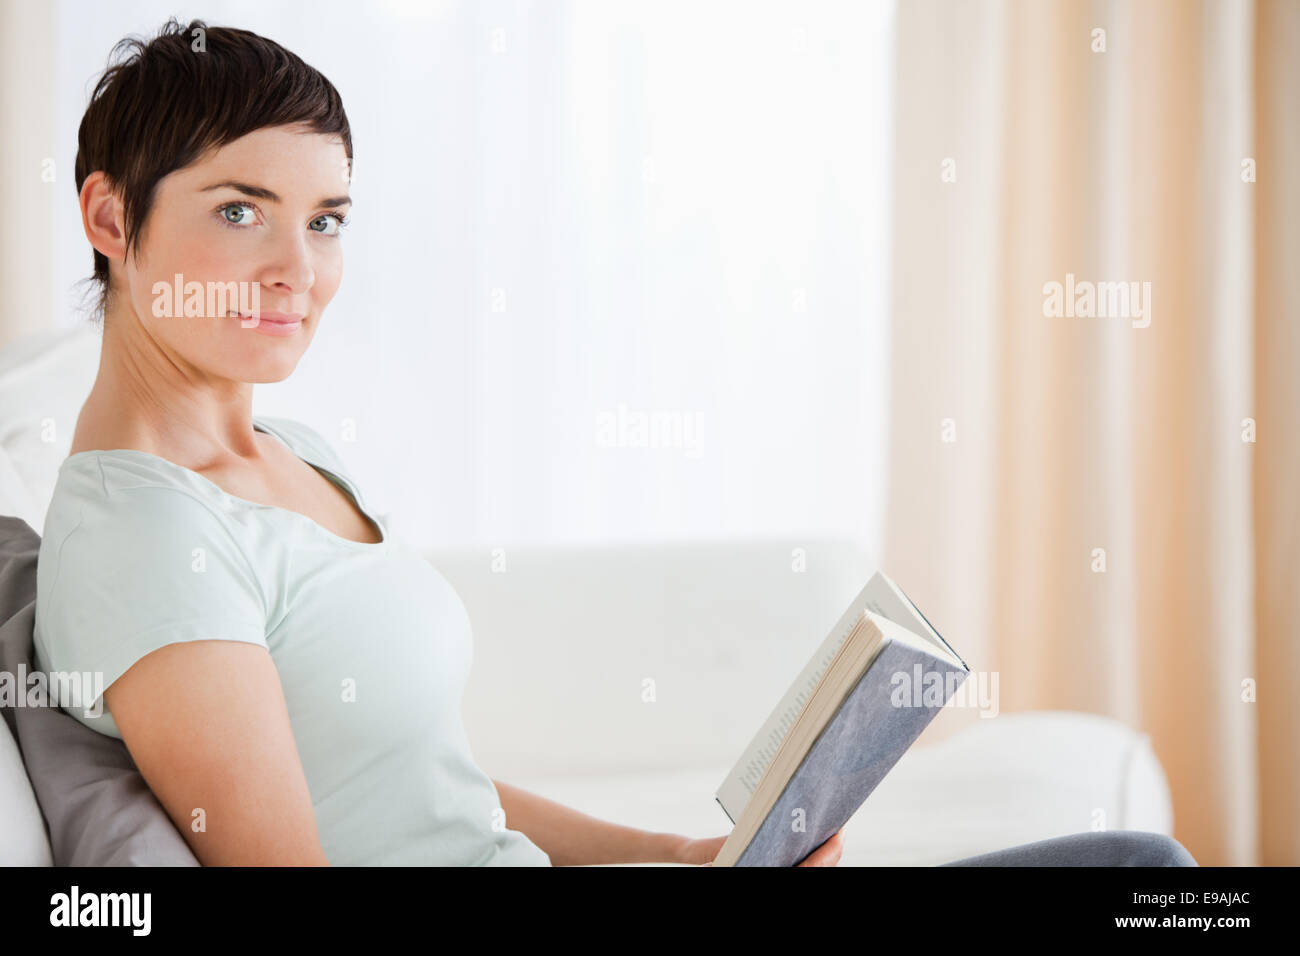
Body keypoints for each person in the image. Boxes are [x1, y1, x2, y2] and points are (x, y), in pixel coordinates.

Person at [35, 16, 1194, 869]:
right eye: (241, 210)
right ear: (108, 217)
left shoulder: (296, 449)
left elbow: (420, 787)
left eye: (326, 219)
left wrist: (675, 858)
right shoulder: (147, 533)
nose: (300, 271)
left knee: (1145, 868)